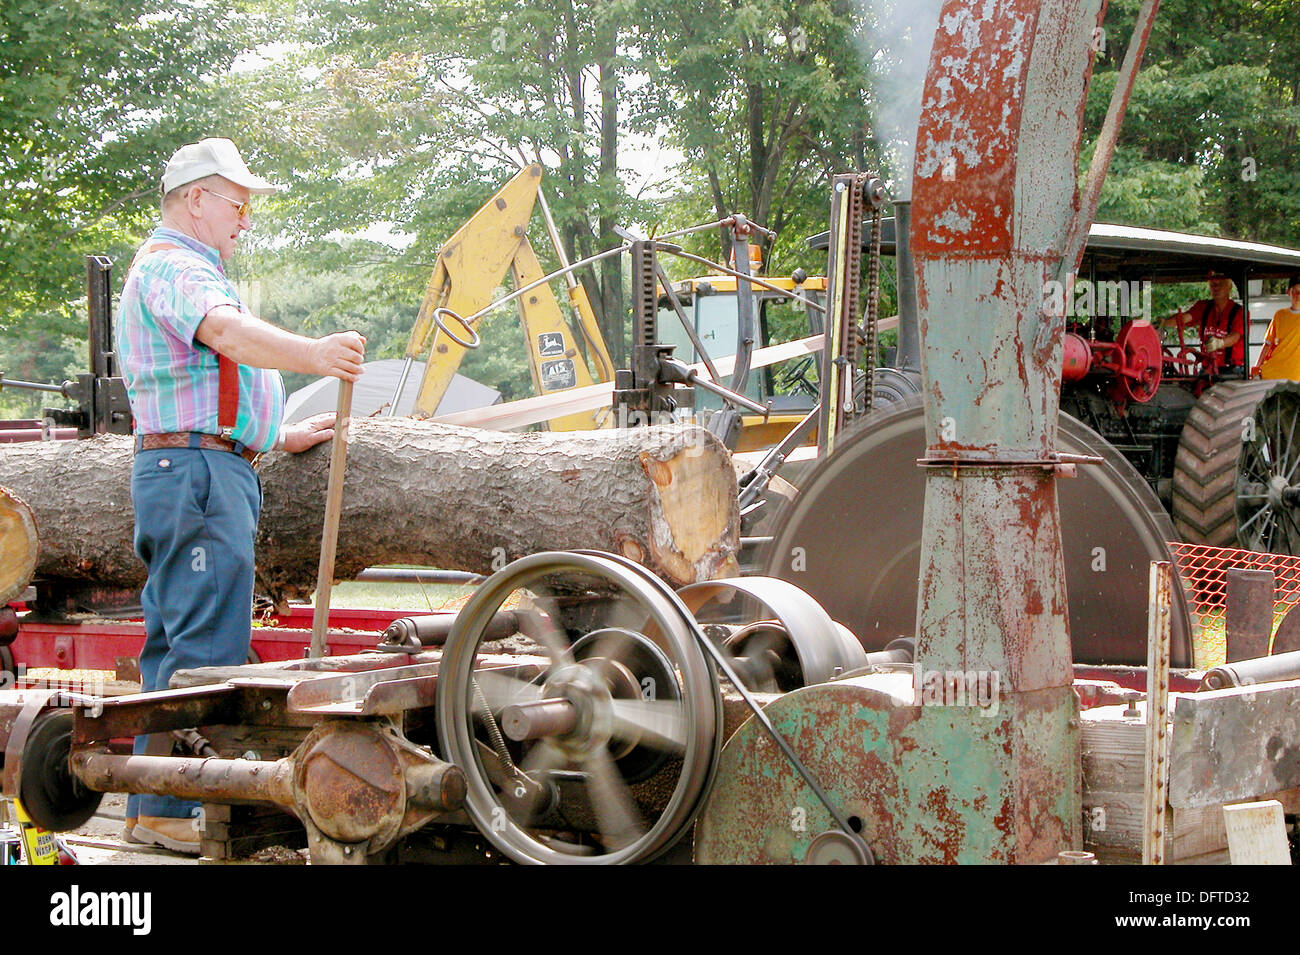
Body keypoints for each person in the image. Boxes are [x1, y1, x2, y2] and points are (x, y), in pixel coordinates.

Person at [115, 138, 366, 853]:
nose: (245, 220)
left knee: (173, 647)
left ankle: (151, 802)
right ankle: (173, 808)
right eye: (238, 204)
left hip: (194, 466)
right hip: (198, 475)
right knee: (206, 647)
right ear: (197, 199)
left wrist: (273, 431)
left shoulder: (181, 267)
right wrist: (315, 354)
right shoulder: (173, 266)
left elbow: (197, 379)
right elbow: (224, 334)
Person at [1166, 270, 1246, 373]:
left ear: (1229, 287)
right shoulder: (1203, 307)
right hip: (1208, 368)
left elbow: (1235, 337)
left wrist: (1220, 343)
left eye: (1220, 284)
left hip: (1231, 370)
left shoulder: (1239, 312)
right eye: (1213, 285)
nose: (1216, 288)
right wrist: (1163, 323)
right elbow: (1183, 319)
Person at [1253, 276, 1300, 380]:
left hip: (1296, 378)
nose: (1298, 295)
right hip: (1272, 375)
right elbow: (1267, 344)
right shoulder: (1280, 315)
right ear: (1289, 292)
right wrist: (1256, 369)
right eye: (1295, 291)